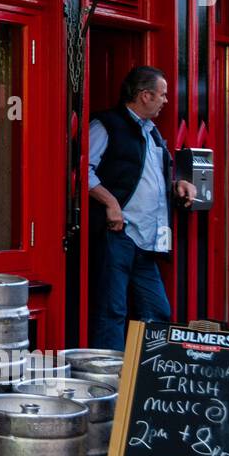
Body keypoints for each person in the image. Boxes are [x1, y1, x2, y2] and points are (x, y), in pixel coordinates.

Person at [87, 66, 197, 349]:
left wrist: (177, 186)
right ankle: (110, 382)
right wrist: (110, 203)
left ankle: (147, 380)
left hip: (146, 240)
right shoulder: (106, 125)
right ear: (145, 95)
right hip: (118, 236)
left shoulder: (152, 133)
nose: (166, 101)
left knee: (158, 311)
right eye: (162, 94)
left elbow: (149, 175)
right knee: (112, 311)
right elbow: (81, 170)